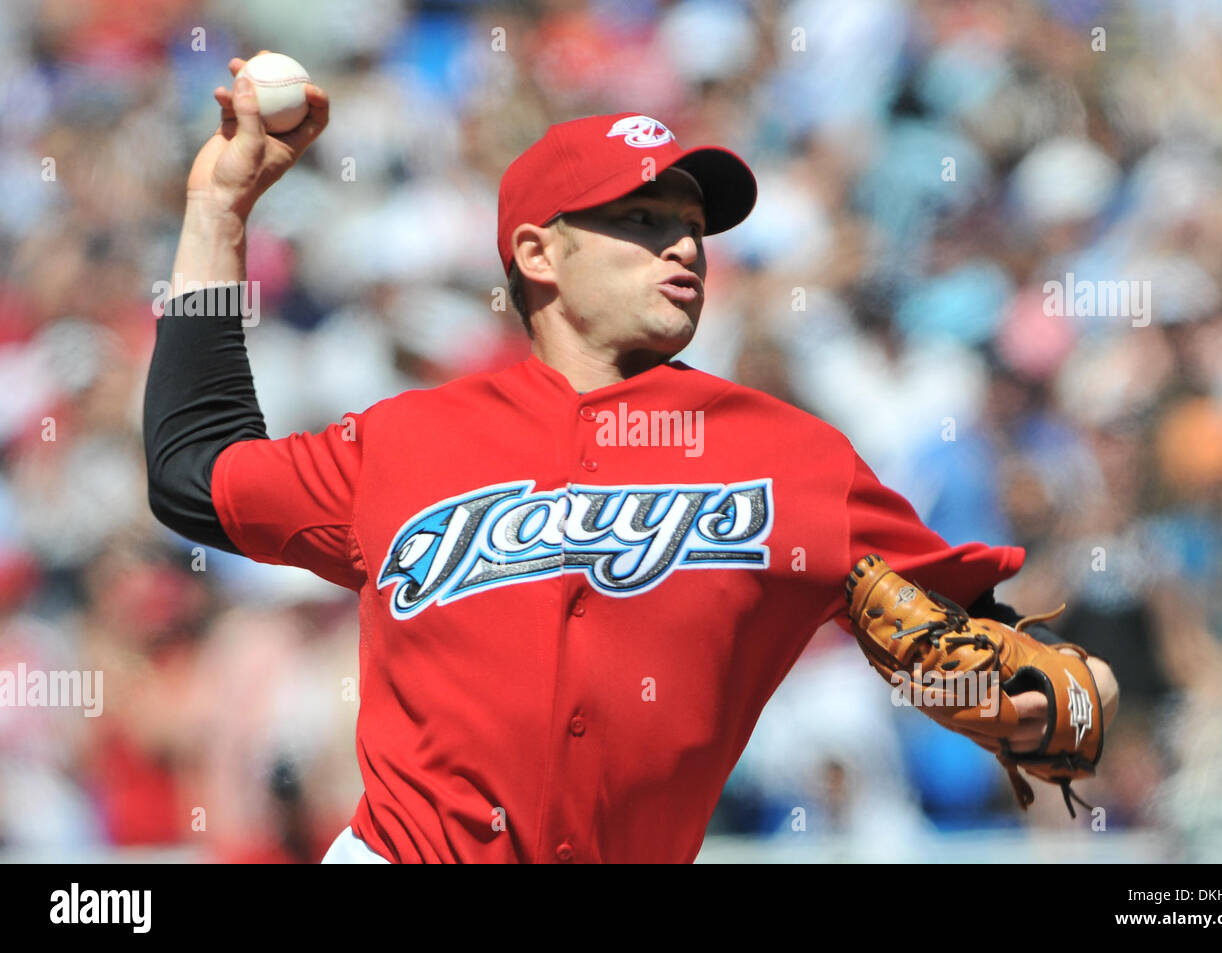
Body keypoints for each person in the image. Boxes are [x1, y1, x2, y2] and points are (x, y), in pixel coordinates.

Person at [144, 56, 1119, 863]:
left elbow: (991, 649)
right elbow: (195, 469)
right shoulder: (406, 439)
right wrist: (219, 213)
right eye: (642, 221)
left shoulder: (793, 458)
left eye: (692, 226)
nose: (684, 247)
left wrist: (1047, 702)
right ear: (538, 253)